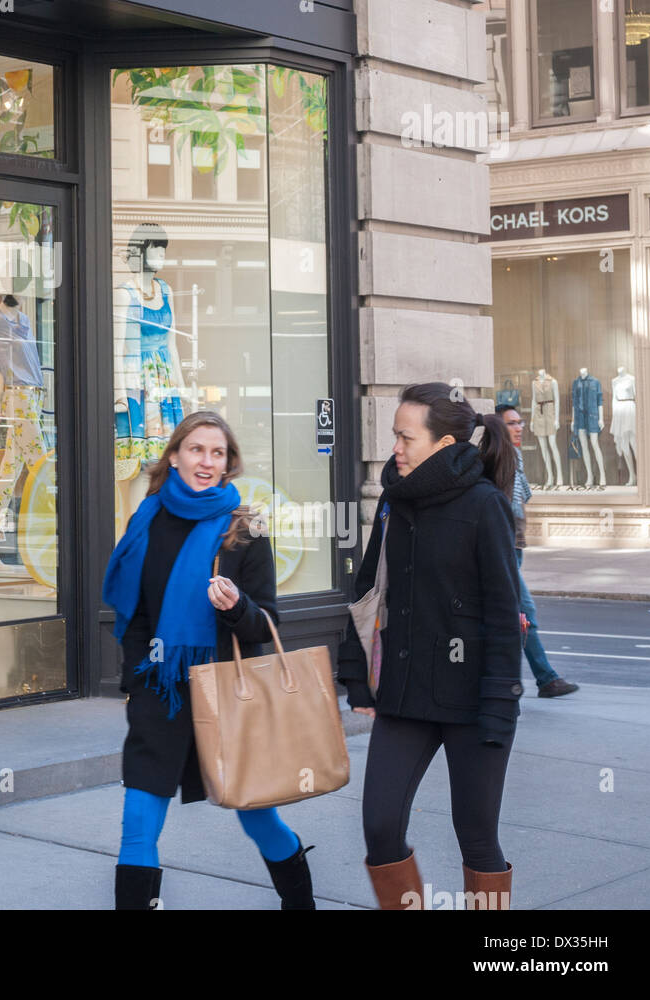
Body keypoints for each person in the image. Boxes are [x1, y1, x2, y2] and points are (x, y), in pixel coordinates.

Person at [102, 410, 316, 911]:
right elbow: (133, 613)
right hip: (162, 689)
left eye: (217, 453)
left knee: (257, 815)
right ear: (174, 455)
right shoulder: (147, 519)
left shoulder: (246, 528)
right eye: (196, 449)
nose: (206, 461)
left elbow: (266, 624)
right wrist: (137, 679)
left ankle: (300, 903)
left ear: (228, 463)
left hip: (230, 692)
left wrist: (237, 606)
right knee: (139, 819)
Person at [338, 383, 523, 910]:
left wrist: (499, 705)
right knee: (379, 827)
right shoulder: (395, 501)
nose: (394, 447)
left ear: (443, 444)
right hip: (405, 693)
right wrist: (357, 676)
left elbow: (503, 616)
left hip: (473, 702)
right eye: (394, 435)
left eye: (404, 436)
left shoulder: (485, 505)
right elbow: (369, 587)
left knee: (478, 838)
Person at [496, 404, 579, 700]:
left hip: (514, 546)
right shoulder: (500, 459)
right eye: (512, 423)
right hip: (505, 548)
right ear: (497, 427)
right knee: (524, 613)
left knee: (516, 615)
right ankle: (544, 678)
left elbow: (524, 495)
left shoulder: (513, 457)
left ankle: (516, 679)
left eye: (520, 422)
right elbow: (506, 504)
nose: (519, 428)